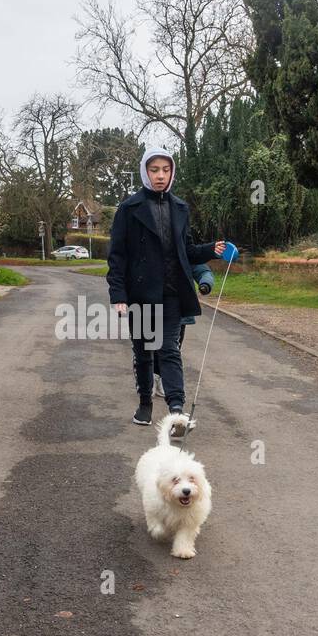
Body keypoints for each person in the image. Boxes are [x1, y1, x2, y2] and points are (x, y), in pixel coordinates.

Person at [105, 145, 227, 426]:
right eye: (154, 169)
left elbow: (186, 251)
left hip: (172, 292)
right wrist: (118, 294)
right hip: (141, 294)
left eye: (166, 169)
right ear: (145, 172)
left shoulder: (180, 207)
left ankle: (175, 411)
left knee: (169, 349)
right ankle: (145, 404)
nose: (161, 175)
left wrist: (211, 249)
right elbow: (117, 256)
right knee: (144, 351)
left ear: (172, 172)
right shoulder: (129, 208)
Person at [151, 261, 213, 398]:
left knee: (172, 348)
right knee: (151, 344)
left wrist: (205, 283)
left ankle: (162, 378)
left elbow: (203, 271)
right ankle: (149, 378)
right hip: (152, 306)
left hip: (179, 310)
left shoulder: (185, 249)